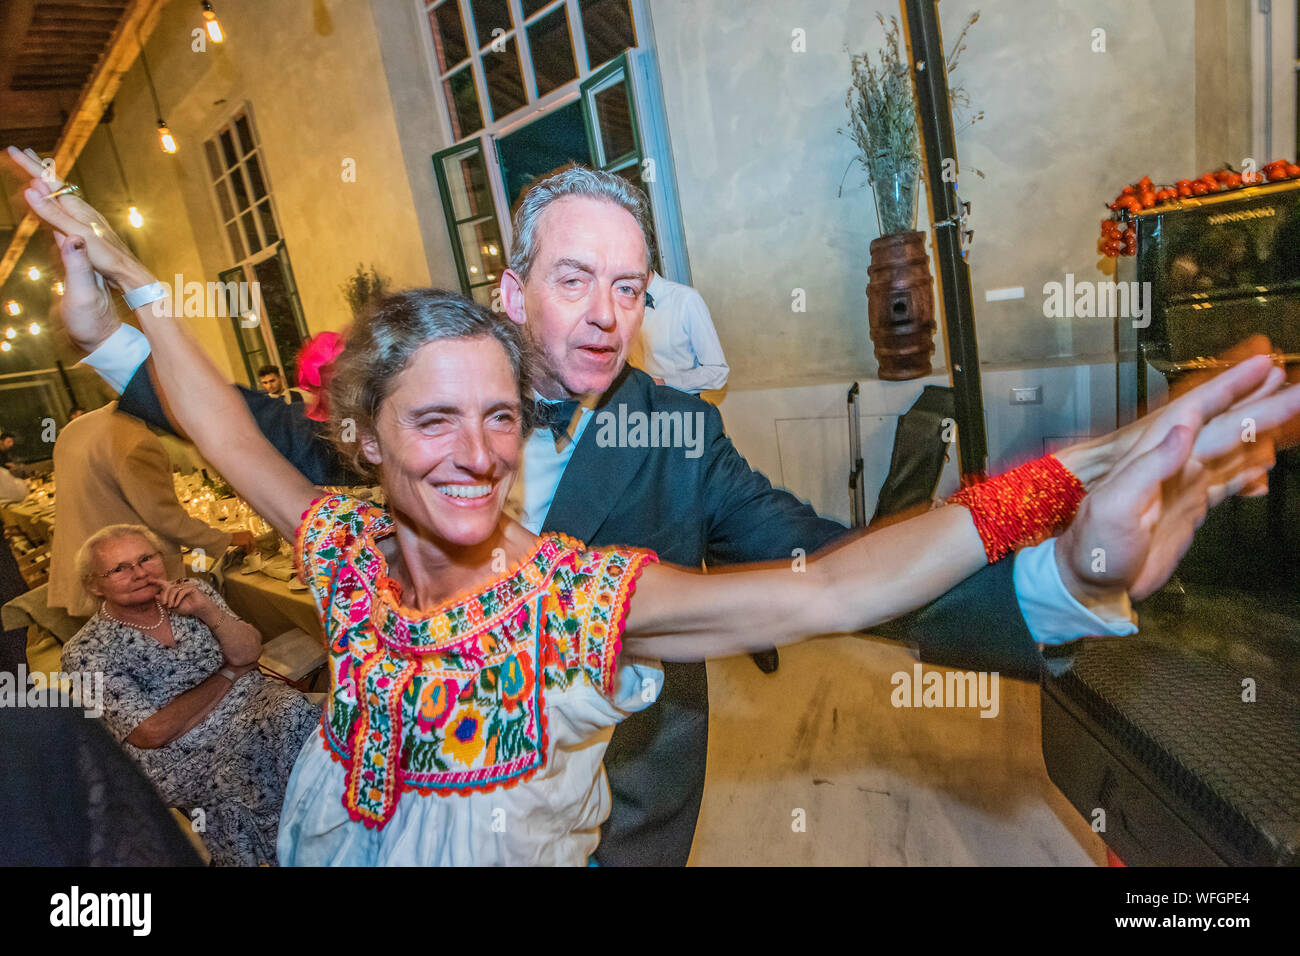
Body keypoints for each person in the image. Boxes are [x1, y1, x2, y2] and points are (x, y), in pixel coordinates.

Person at [14, 150, 1296, 864]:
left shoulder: (642, 486)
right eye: (573, 278)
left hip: (621, 818)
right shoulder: (355, 517)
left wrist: (1066, 523)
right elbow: (241, 431)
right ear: (511, 291)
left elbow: (828, 574)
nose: (602, 314)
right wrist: (122, 296)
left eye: (629, 288)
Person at [59, 524, 320, 866]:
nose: (139, 573)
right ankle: (293, 848)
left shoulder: (193, 593)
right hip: (177, 755)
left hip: (254, 706)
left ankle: (317, 841)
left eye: (145, 558)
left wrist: (206, 611)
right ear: (94, 584)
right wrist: (227, 675)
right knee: (246, 769)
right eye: (120, 569)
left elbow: (248, 653)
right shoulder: (85, 651)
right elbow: (149, 732)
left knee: (293, 714)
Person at [46, 403, 255, 617]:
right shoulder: (135, 441)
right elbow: (164, 517)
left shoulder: (75, 428)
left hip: (82, 571)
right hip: (127, 582)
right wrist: (224, 539)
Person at [629, 269, 730, 394]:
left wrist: (664, 383)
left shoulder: (686, 299)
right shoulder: (618, 305)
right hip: (639, 407)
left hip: (682, 407)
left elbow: (717, 372)